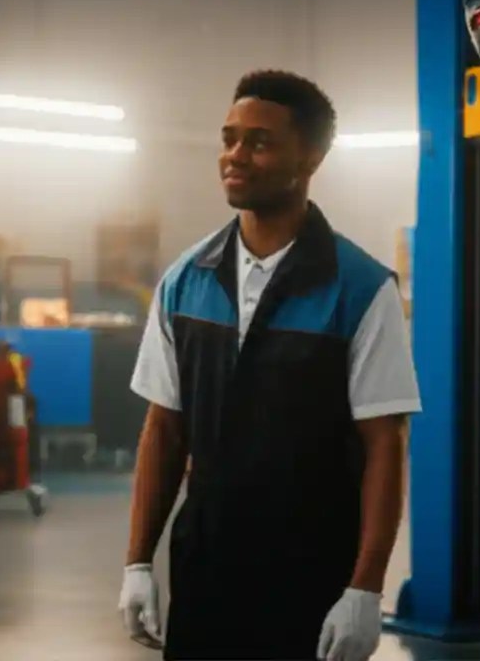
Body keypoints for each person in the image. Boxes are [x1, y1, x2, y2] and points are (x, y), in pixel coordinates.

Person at [118, 70, 421, 661]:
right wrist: (136, 560)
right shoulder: (185, 281)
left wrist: (364, 587)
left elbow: (385, 444)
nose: (236, 156)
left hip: (309, 573)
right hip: (205, 567)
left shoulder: (359, 290)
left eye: (259, 142)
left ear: (311, 157)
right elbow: (163, 429)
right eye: (229, 139)